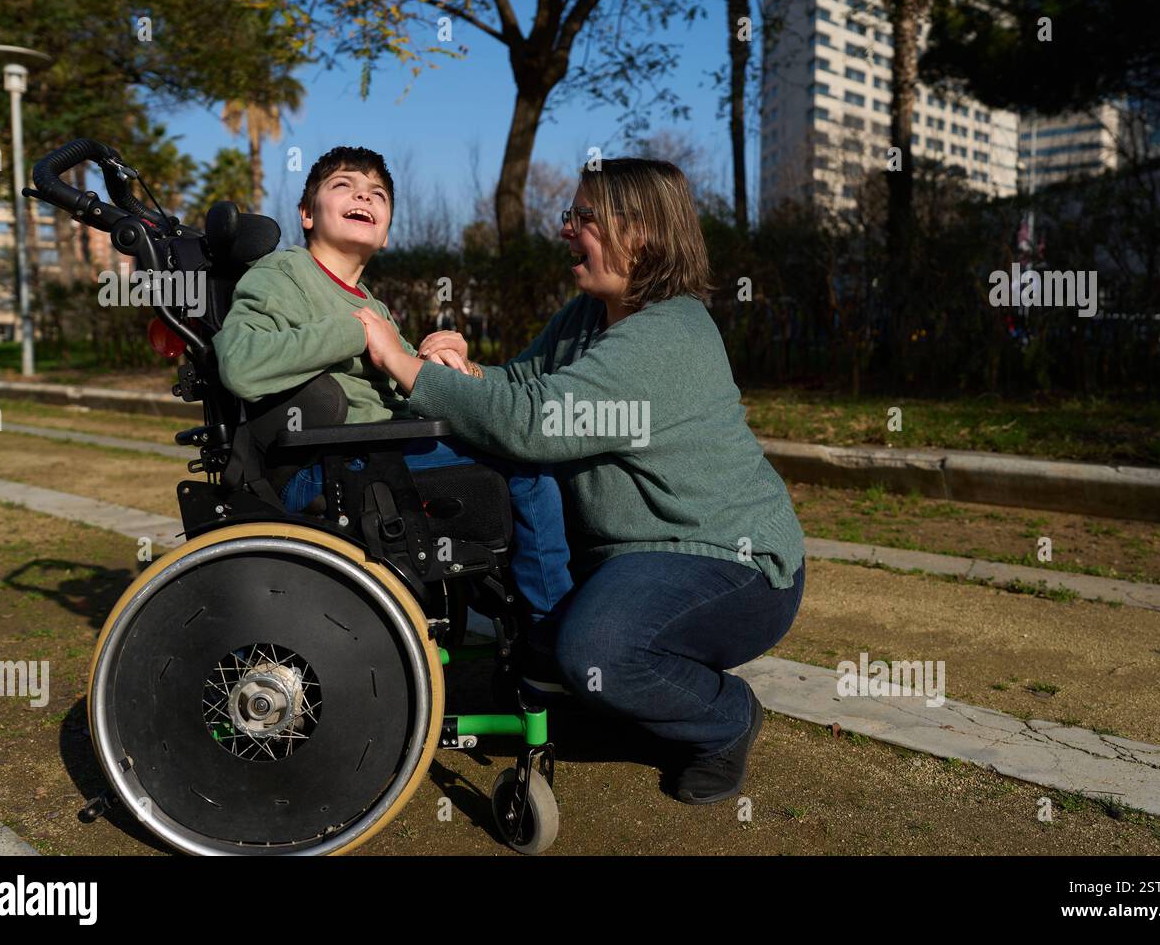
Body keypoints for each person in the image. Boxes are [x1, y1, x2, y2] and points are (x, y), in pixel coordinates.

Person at [360, 158, 807, 805]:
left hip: (728, 561)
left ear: (644, 232)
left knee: (598, 649)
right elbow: (520, 384)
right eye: (570, 215)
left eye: (584, 217)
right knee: (561, 647)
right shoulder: (586, 317)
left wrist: (401, 363)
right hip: (632, 554)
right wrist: (464, 369)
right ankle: (627, 680)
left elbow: (537, 422)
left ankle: (726, 718)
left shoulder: (670, 335)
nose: (567, 230)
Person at [211, 146, 573, 624]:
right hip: (326, 465)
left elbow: (406, 384)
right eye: (343, 186)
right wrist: (354, 333)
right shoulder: (281, 274)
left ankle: (519, 616)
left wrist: (441, 362)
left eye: (377, 193)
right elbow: (239, 364)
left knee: (521, 443)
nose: (364, 194)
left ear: (385, 233)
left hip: (379, 450)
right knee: (528, 459)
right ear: (306, 214)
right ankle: (554, 634)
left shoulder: (371, 303)